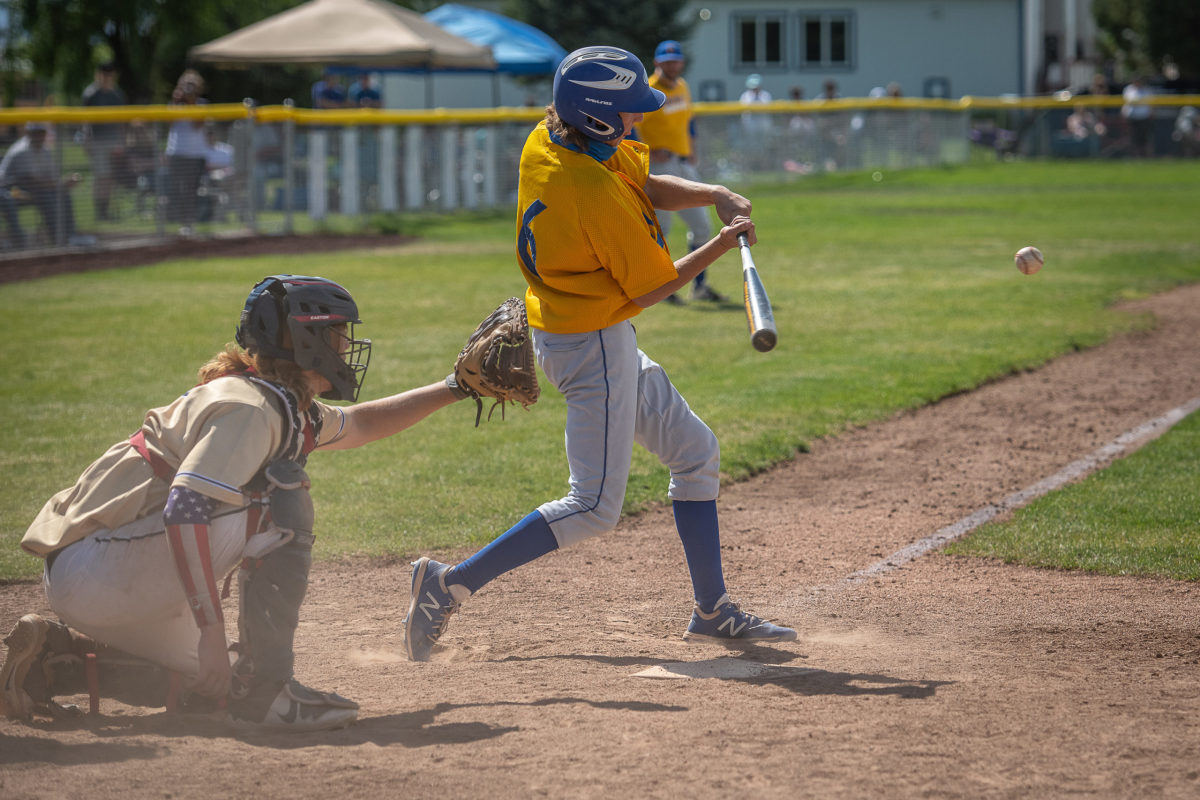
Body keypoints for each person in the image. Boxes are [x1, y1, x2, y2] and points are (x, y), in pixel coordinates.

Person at [401, 45, 798, 663]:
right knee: (591, 506)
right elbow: (652, 289)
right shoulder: (587, 191)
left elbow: (638, 179)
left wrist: (710, 192)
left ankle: (712, 610)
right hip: (592, 346)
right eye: (631, 112)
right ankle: (448, 585)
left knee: (696, 455)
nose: (640, 120)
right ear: (599, 117)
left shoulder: (553, 137)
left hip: (577, 331)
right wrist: (721, 245)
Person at [0, 274, 472, 730]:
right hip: (98, 567)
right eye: (338, 335)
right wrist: (209, 627)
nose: (346, 347)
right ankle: (270, 696)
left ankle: (55, 662)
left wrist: (457, 388)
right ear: (305, 341)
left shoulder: (275, 399)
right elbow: (185, 508)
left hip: (103, 571)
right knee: (276, 499)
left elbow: (360, 425)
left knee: (225, 681)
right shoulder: (251, 408)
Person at [635, 40, 727, 305]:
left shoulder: (683, 86)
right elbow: (631, 125)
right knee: (661, 227)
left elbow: (689, 121)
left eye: (675, 60)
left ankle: (699, 287)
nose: (671, 65)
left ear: (681, 63)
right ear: (657, 63)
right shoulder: (648, 88)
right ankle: (660, 286)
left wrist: (693, 149)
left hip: (684, 163)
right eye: (666, 61)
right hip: (658, 165)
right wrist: (649, 151)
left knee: (702, 225)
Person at [0, 122, 90, 249]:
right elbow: (31, 181)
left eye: (41, 132)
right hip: (8, 190)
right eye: (36, 133)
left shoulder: (45, 150)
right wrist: (61, 183)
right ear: (28, 133)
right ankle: (53, 239)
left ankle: (70, 235)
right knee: (46, 197)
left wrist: (63, 183)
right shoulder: (21, 151)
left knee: (62, 194)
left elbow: (50, 178)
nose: (39, 136)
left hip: (33, 190)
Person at [80, 62, 127, 222]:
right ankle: (100, 212)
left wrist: (122, 141)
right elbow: (85, 120)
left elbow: (121, 121)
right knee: (101, 176)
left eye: (110, 74)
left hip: (113, 141)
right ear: (98, 74)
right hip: (97, 141)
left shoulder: (117, 94)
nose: (107, 77)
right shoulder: (91, 93)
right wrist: (86, 140)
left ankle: (105, 212)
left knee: (110, 178)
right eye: (104, 74)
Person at [164, 70, 209, 232]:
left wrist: (191, 102)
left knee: (191, 189)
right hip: (177, 152)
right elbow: (169, 123)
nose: (188, 88)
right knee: (177, 188)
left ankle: (189, 222)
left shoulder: (202, 104)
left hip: (195, 154)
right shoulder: (175, 103)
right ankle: (175, 220)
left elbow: (198, 124)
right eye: (186, 84)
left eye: (192, 84)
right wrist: (176, 101)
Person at [1121, 75, 1154, 157]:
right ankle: (1134, 156)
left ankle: (1146, 156)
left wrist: (1151, 114)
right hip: (1132, 117)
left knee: (1145, 138)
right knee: (1133, 138)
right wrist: (1124, 114)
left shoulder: (1147, 90)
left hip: (1144, 117)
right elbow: (1125, 104)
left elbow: (1151, 105)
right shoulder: (1128, 89)